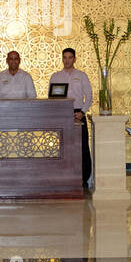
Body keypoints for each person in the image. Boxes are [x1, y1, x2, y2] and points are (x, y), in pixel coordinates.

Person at [49, 47, 94, 187]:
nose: (67, 60)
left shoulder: (82, 75)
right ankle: (64, 177)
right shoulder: (56, 76)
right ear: (62, 59)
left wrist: (83, 112)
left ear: (74, 59)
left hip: (78, 114)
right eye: (64, 57)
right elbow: (51, 97)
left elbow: (90, 96)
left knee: (82, 147)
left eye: (70, 57)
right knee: (64, 147)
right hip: (62, 114)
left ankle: (84, 178)